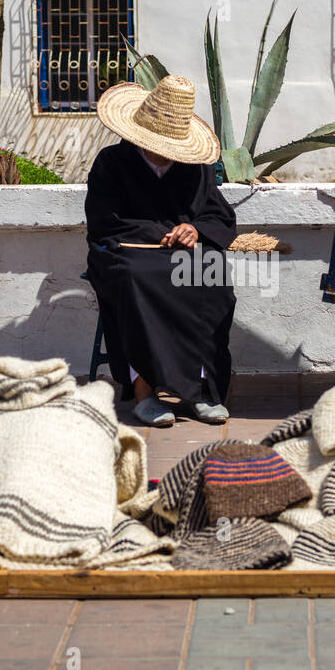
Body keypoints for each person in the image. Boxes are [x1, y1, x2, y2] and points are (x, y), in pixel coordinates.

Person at [84, 75, 237, 427]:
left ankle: (200, 391)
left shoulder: (195, 167)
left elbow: (218, 213)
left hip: (182, 256)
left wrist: (194, 229)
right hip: (123, 254)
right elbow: (105, 223)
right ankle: (145, 395)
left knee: (210, 276)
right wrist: (163, 234)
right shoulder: (111, 163)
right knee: (140, 279)